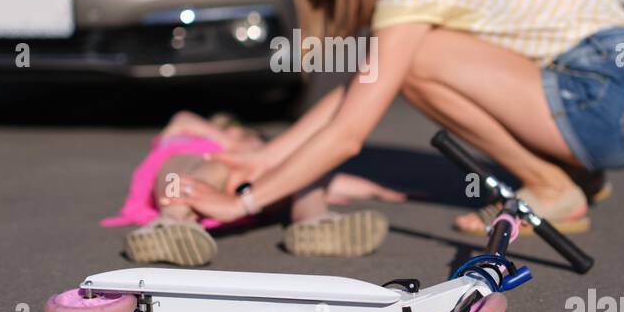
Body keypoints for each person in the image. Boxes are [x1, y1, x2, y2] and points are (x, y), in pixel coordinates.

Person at [175, 0, 624, 238]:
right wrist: (265, 159)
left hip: (609, 98)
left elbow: (349, 131)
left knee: (415, 65)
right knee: (402, 60)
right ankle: (577, 173)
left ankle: (551, 187)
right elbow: (360, 88)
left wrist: (241, 202)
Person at [102, 110, 404, 265]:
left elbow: (322, 174)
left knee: (303, 173)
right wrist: (228, 141)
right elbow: (182, 117)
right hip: (188, 185)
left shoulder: (259, 157)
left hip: (247, 191)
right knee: (183, 175)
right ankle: (171, 221)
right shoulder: (193, 143)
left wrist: (376, 190)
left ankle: (315, 220)